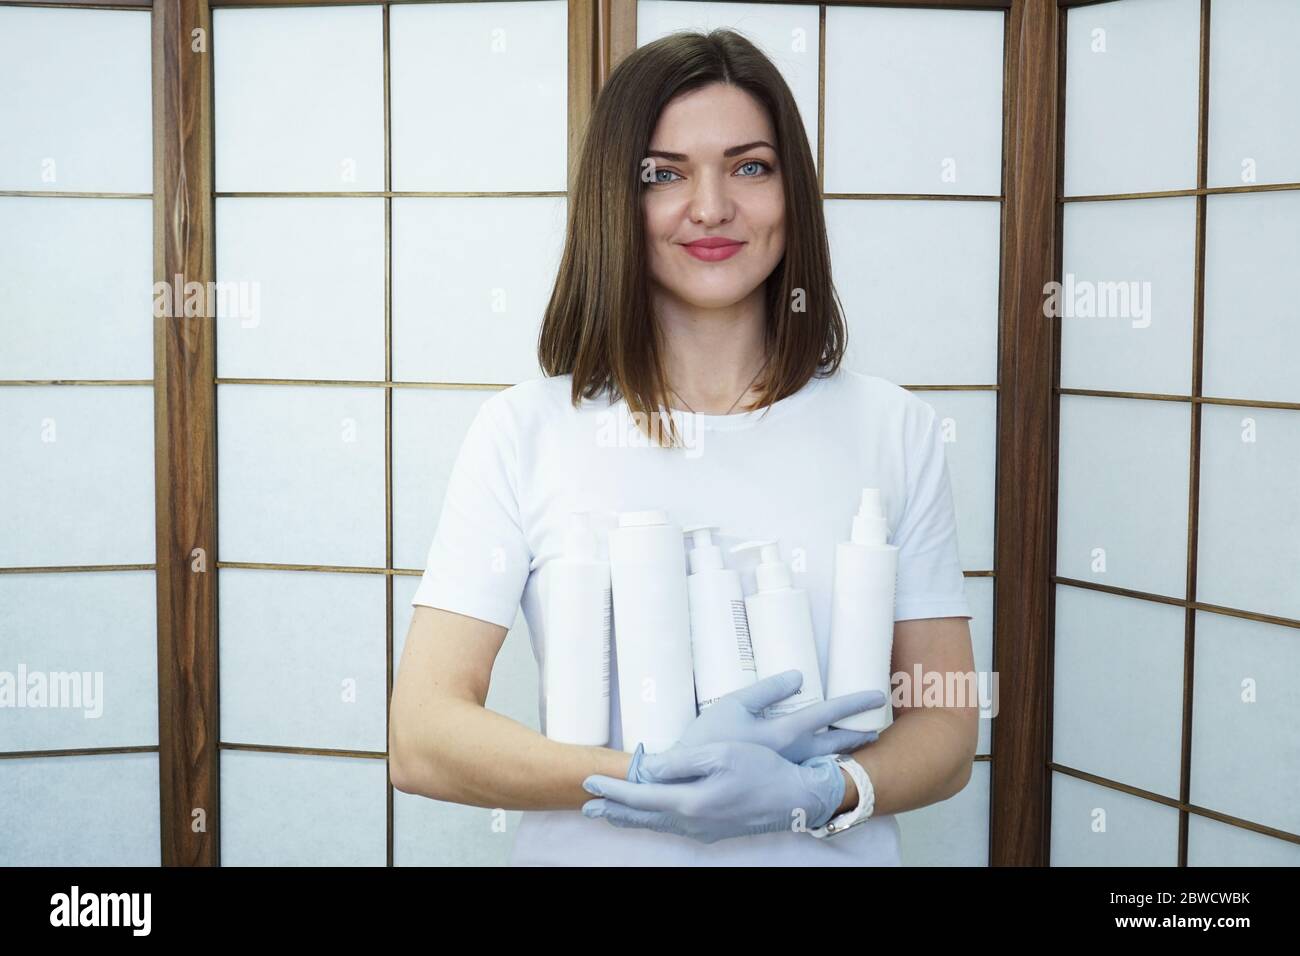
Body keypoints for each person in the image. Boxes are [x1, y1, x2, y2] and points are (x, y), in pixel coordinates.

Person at [389, 28, 977, 866]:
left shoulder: (893, 429)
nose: (710, 208)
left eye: (750, 166)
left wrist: (825, 791)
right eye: (662, 174)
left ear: (792, 193)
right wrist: (646, 773)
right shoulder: (527, 431)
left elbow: (947, 725)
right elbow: (421, 736)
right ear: (615, 203)